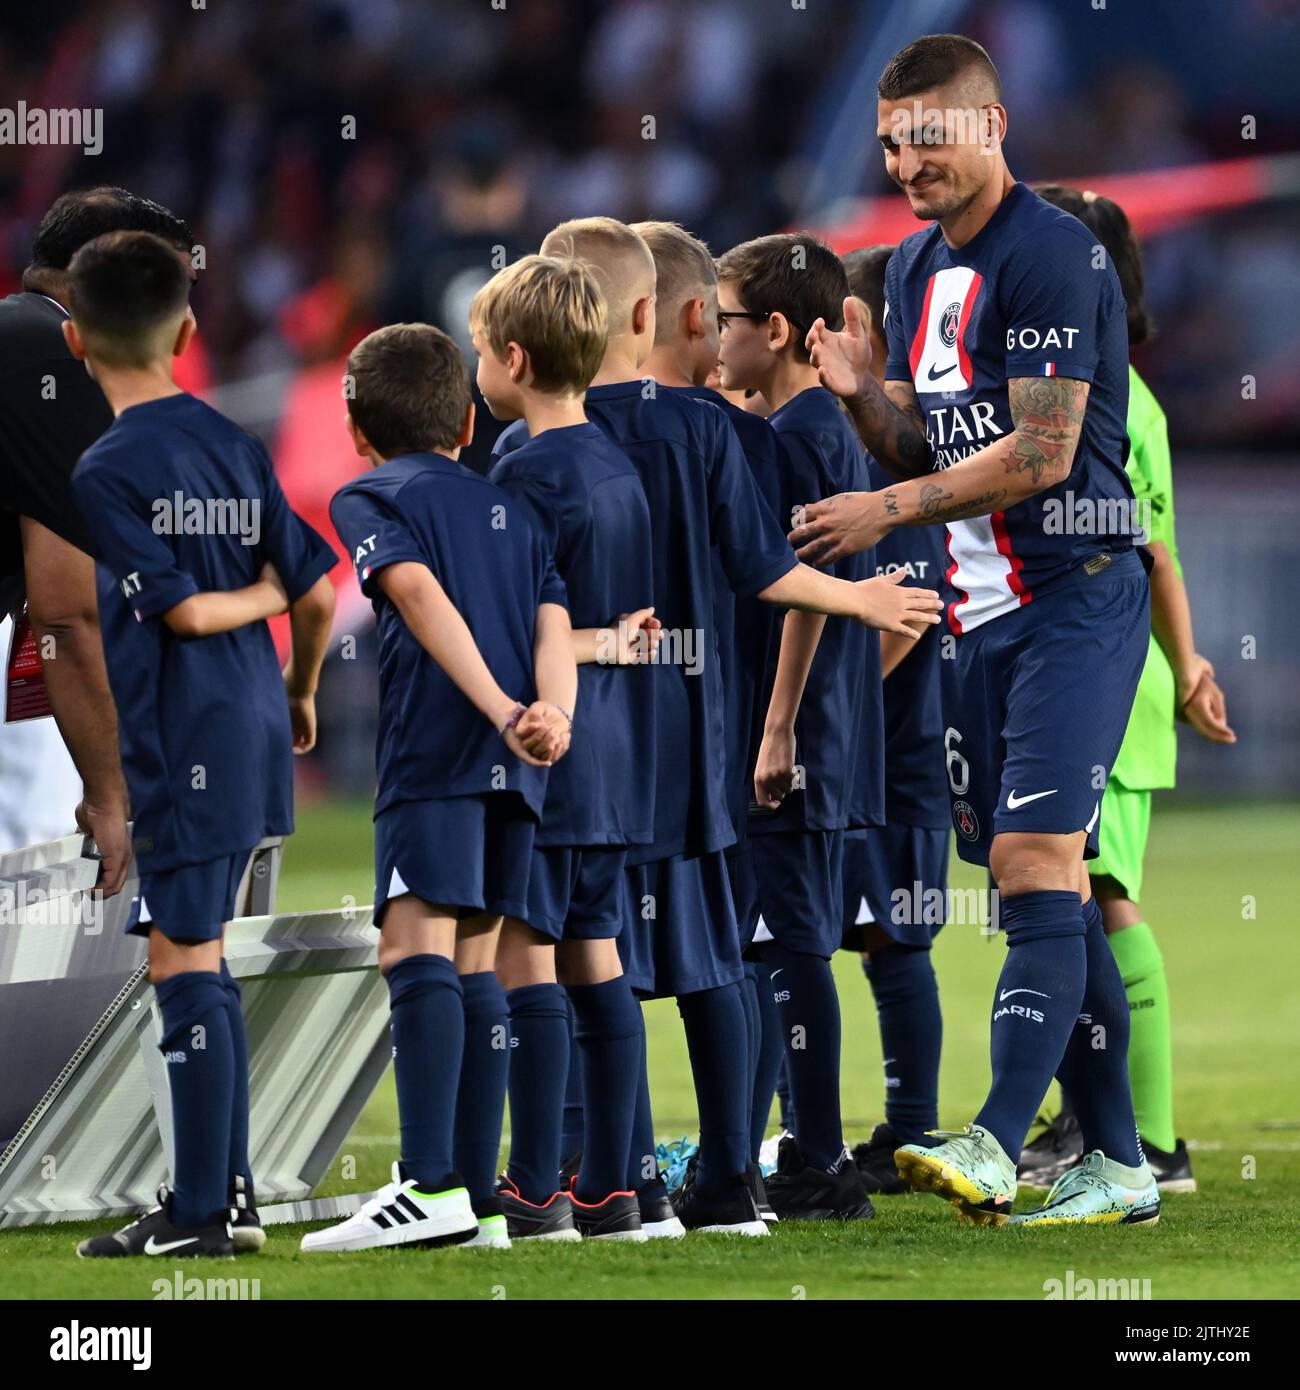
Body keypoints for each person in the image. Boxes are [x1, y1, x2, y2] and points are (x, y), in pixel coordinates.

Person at [496, 217, 939, 1235]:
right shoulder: (714, 432)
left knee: (571, 955)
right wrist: (861, 602)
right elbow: (768, 567)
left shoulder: (534, 447)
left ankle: (598, 1172)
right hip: (697, 747)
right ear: (652, 313)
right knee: (719, 961)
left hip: (583, 746)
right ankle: (731, 1180)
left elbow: (514, 603)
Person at [792, 34, 1159, 1227]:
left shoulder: (1053, 255)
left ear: (991, 126)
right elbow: (921, 442)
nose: (907, 159)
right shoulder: (904, 273)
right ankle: (1117, 1163)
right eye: (893, 139)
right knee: (1041, 886)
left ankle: (998, 1141)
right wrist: (860, 394)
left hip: (1074, 594)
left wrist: (880, 508)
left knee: (1032, 867)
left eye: (930, 135)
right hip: (977, 614)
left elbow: (1043, 454)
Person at [66, 231, 337, 1257]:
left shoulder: (106, 469)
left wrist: (253, 600)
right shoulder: (232, 439)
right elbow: (313, 589)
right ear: (185, 330)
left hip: (187, 738)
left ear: (76, 341)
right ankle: (226, 1194)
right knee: (202, 953)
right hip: (258, 723)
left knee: (182, 958)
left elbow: (176, 615)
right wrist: (301, 687)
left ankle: (201, 1212)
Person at [306, 323, 575, 1252]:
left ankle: (428, 1186)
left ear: (355, 424)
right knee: (476, 962)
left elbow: (415, 596)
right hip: (523, 768)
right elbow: (553, 615)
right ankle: (473, 1203)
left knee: (414, 947)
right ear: (466, 421)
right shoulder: (509, 503)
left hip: (439, 751)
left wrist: (503, 708)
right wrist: (551, 714)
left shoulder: (369, 492)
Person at [1017, 185, 1235, 1194]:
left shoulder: (1120, 405)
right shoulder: (1096, 389)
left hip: (1116, 676)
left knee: (1104, 898)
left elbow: (1152, 551)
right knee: (1071, 892)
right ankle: (1092, 1117)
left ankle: (1150, 1140)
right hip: (1102, 667)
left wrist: (1186, 664)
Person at [474, 254, 662, 1241]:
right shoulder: (615, 463)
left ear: (512, 357)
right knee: (600, 957)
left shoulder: (524, 469)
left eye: (478, 350)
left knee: (526, 958)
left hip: (555, 745)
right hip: (623, 748)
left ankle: (534, 1185)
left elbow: (526, 619)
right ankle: (614, 1187)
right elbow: (637, 625)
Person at [713, 232, 880, 1222]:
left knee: (790, 942)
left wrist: (774, 728)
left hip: (801, 727)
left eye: (727, 319)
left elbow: (803, 591)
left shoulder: (802, 437)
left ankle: (819, 1157)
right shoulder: (815, 424)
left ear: (775, 330)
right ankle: (805, 1147)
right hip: (827, 722)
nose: (715, 335)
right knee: (786, 938)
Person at [0, 187, 198, 893]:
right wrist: (110, 793)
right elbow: (66, 612)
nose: (186, 320)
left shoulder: (20, 336)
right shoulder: (54, 356)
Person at [827, 245, 952, 1196]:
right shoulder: (871, 449)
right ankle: (838, 1131)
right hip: (867, 755)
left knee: (893, 941)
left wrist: (808, 710)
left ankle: (913, 1130)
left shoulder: (897, 462)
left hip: (895, 758)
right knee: (856, 939)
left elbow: (908, 613)